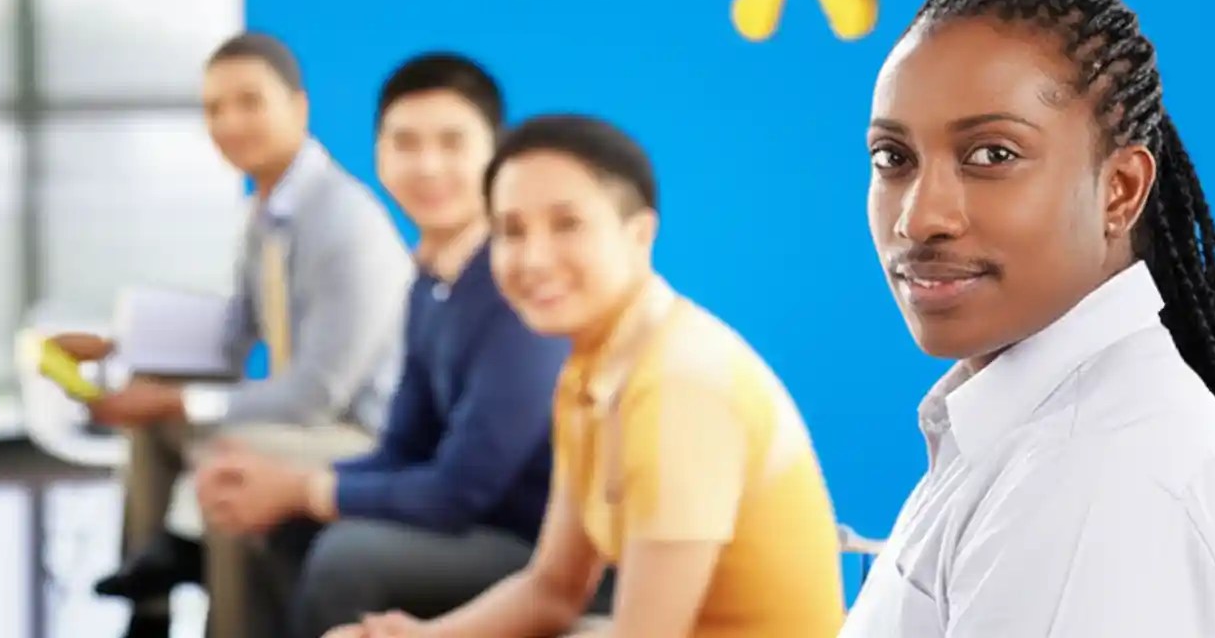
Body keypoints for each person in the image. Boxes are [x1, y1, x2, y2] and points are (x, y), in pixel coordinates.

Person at [330, 114, 846, 638]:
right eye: (510, 231)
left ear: (639, 233)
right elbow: (552, 590)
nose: (533, 259)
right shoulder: (591, 369)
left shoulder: (677, 385)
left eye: (567, 225)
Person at [839, 0, 1215, 637]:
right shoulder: (1031, 433)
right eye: (891, 158)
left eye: (991, 155)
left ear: (1121, 190)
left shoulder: (1097, 482)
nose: (918, 217)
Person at [194, 53, 571, 638]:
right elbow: (401, 447)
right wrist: (284, 487)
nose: (427, 165)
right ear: (379, 154)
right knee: (268, 513)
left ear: (495, 156)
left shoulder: (517, 285)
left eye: (452, 143)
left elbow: (461, 489)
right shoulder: (429, 281)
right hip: (468, 519)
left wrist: (304, 487)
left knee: (348, 558)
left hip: (539, 547)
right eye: (405, 143)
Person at [52, 32, 411, 638]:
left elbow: (315, 394)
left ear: (298, 108)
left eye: (249, 102)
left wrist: (177, 400)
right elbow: (231, 334)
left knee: (231, 454)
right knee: (155, 412)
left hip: (364, 432)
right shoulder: (267, 211)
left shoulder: (344, 220)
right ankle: (151, 601)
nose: (229, 123)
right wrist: (121, 346)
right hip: (312, 417)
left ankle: (216, 604)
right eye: (215, 108)